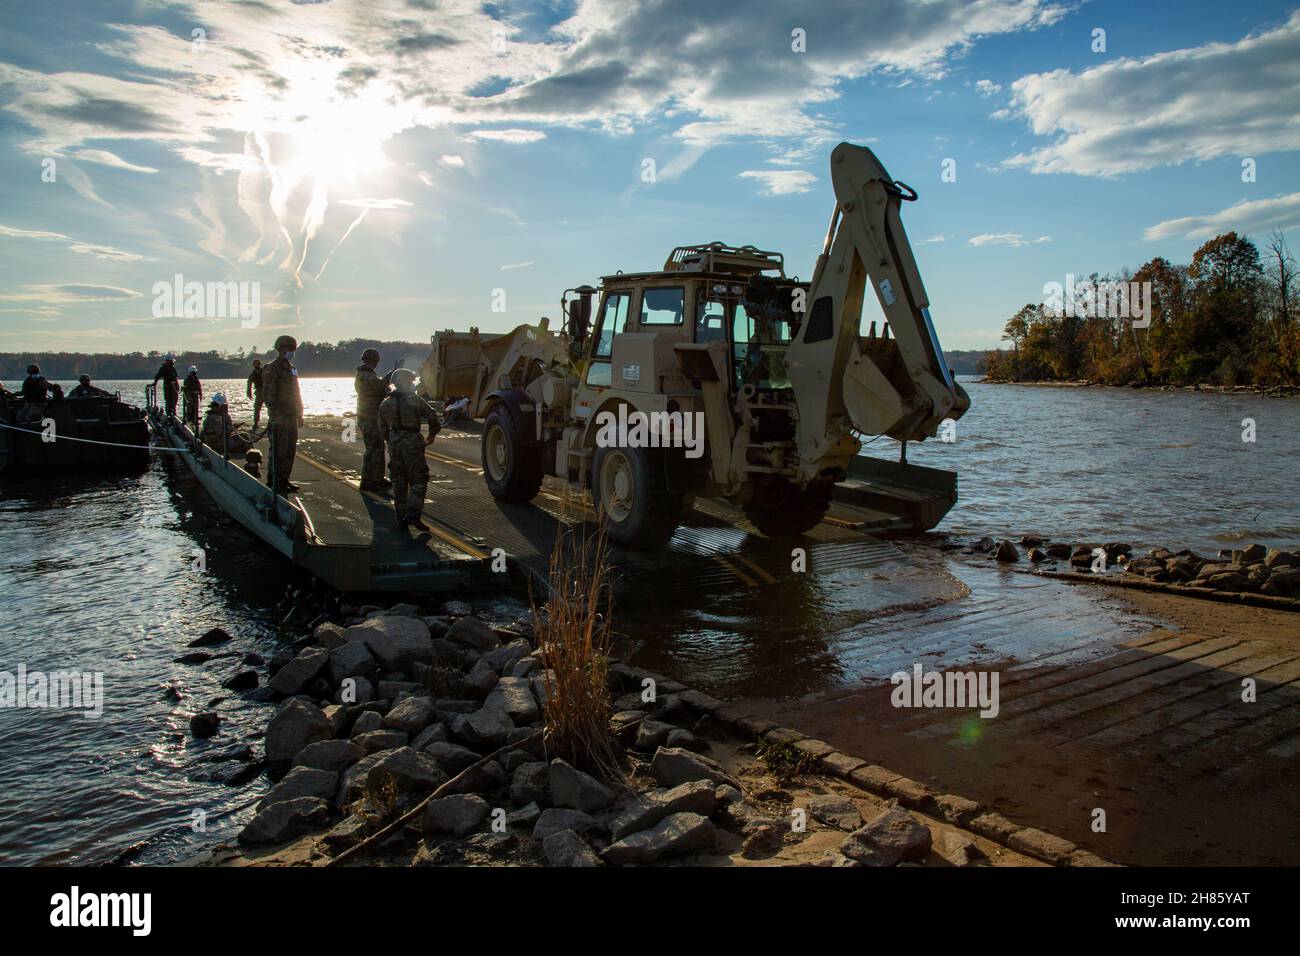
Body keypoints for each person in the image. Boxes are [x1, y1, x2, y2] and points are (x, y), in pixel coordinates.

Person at [378, 368, 440, 530]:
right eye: (411, 381)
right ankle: (413, 515)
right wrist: (432, 434)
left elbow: (382, 427)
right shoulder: (414, 400)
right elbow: (432, 415)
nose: (413, 384)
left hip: (394, 442)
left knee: (399, 481)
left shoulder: (385, 403)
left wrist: (391, 440)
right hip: (413, 441)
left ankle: (401, 517)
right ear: (405, 382)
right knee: (419, 479)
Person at [262, 334, 304, 494]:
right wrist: (275, 414)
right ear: (280, 349)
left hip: (291, 415)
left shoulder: (292, 369)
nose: (291, 351)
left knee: (290, 449)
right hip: (279, 415)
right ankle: (274, 480)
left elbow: (297, 392)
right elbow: (269, 394)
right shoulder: (271, 368)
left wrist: (300, 412)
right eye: (289, 348)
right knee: (279, 449)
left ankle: (284, 479)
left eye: (293, 348)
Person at [354, 347, 394, 494]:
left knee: (377, 448)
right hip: (369, 417)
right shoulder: (366, 375)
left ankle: (377, 478)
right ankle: (368, 480)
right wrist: (392, 374)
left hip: (370, 415)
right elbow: (380, 386)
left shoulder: (365, 374)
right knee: (373, 449)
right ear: (374, 361)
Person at [153, 353, 180, 417]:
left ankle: (173, 412)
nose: (170, 362)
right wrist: (155, 382)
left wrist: (177, 386)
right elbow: (158, 376)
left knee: (174, 399)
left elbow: (175, 378)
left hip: (174, 387)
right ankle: (169, 413)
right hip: (167, 386)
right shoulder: (163, 368)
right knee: (168, 400)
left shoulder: (173, 368)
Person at [246, 358, 265, 428]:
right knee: (257, 408)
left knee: (271, 407)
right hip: (259, 392)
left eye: (258, 364)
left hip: (267, 391)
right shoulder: (252, 374)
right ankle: (256, 422)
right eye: (255, 364)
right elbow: (249, 384)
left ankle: (272, 422)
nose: (257, 366)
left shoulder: (265, 371)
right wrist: (249, 393)